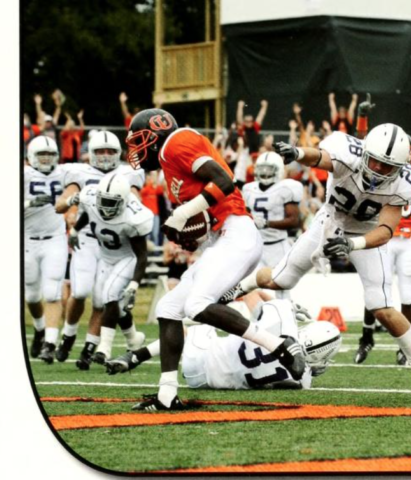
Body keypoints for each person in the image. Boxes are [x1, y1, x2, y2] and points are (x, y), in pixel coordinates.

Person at [223, 123, 411, 402]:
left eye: (387, 166)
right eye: (374, 160)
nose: (378, 169)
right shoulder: (348, 151)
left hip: (366, 232)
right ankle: (238, 288)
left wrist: (353, 244)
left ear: (400, 167)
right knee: (281, 279)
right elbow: (320, 157)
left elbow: (386, 230)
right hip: (330, 220)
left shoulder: (408, 182)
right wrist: (297, 152)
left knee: (382, 306)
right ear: (365, 152)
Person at [124, 108, 306, 411]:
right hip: (221, 238)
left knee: (196, 304)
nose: (137, 150)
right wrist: (188, 236)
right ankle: (167, 395)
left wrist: (181, 215)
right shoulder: (169, 165)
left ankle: (279, 345)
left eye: (140, 141)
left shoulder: (176, 142)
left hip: (237, 231)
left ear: (155, 135)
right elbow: (205, 216)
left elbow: (224, 181)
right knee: (168, 308)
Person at [355, 91, 411, 365]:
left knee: (407, 294)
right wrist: (362, 117)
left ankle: (405, 347)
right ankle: (366, 337)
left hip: (408, 238)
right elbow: (360, 147)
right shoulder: (382, 165)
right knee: (376, 289)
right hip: (383, 233)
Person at [106, 296, 341, 391]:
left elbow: (255, 296)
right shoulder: (303, 382)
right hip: (204, 384)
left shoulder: (282, 322)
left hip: (199, 356)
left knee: (188, 328)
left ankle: (135, 355)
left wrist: (288, 306)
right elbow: (302, 375)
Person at [54, 130, 146, 366]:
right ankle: (68, 336)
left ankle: (90, 347)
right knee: (80, 291)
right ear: (91, 153)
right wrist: (73, 203)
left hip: (113, 242)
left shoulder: (128, 173)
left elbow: (136, 202)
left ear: (119, 153)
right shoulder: (80, 173)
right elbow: (60, 206)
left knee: (101, 299)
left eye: (110, 151)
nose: (105, 155)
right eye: (100, 151)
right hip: (86, 238)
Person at [68, 173, 151, 364]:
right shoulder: (91, 198)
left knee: (109, 295)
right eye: (103, 201)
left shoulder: (134, 217)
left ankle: (104, 349)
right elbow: (89, 214)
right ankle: (133, 339)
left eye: (111, 203)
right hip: (105, 258)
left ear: (123, 201)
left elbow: (142, 255)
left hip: (126, 258)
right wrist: (74, 230)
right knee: (108, 303)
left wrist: (134, 285)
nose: (105, 207)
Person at [24, 137, 69, 362]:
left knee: (52, 291)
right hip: (27, 239)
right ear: (31, 155)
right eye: (42, 154)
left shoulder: (65, 172)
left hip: (55, 239)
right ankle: (40, 329)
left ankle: (50, 343)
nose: (46, 159)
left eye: (50, 154)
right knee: (31, 295)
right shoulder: (22, 175)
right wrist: (29, 203)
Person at [242, 152, 302, 298]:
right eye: (262, 169)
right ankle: (259, 311)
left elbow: (294, 221)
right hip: (256, 246)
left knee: (281, 286)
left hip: (277, 245)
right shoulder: (249, 189)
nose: (264, 173)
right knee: (248, 285)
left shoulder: (285, 188)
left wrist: (267, 224)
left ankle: (284, 310)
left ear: (278, 170)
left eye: (269, 169)